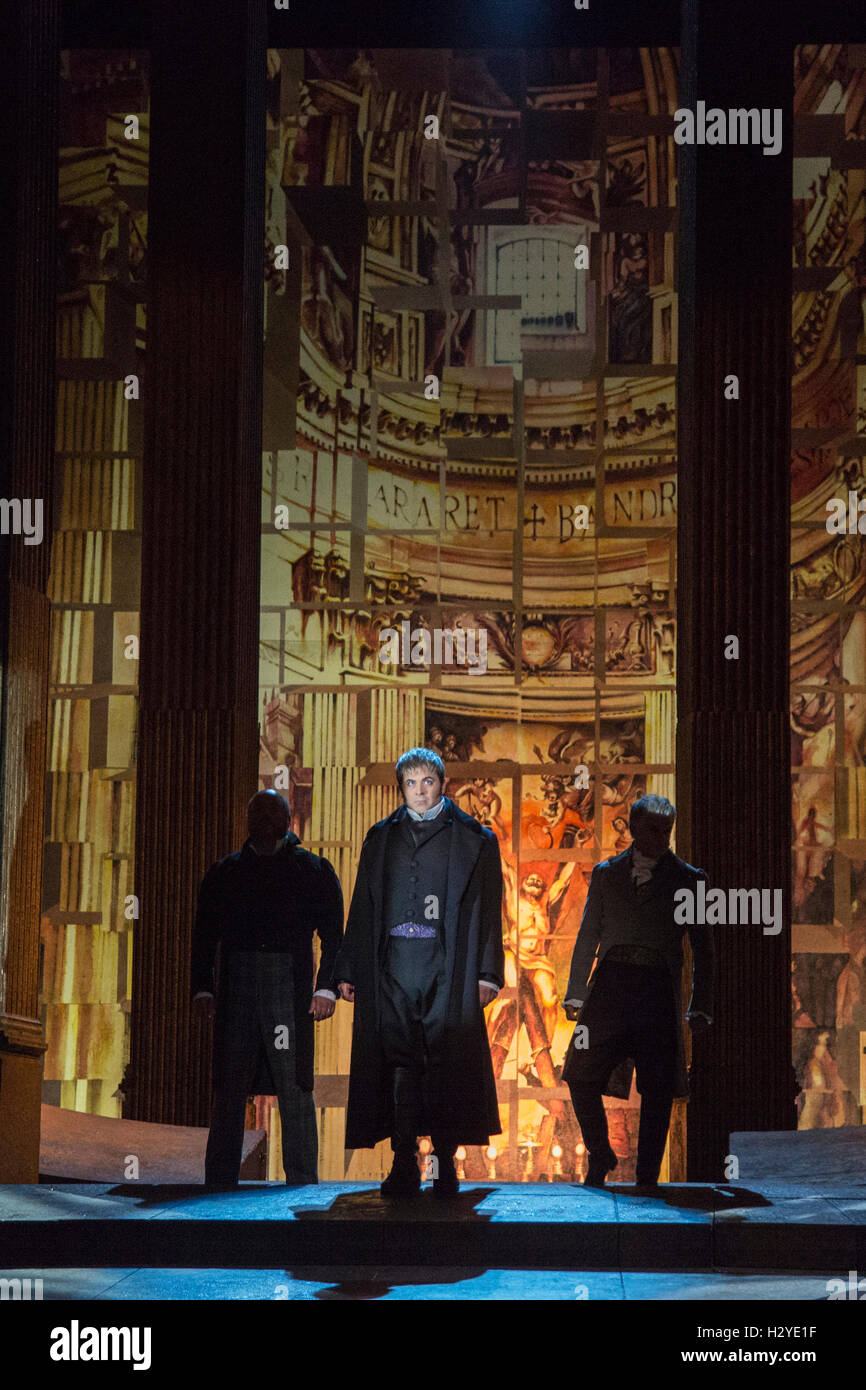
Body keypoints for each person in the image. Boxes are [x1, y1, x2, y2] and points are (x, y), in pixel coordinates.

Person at [335, 747, 504, 1197]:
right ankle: (404, 1161)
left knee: (446, 1064)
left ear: (443, 784)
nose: (420, 791)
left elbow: (490, 912)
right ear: (401, 788)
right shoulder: (381, 837)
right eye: (411, 783)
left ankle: (445, 1163)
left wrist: (488, 973)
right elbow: (363, 906)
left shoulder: (475, 839)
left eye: (427, 781)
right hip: (394, 964)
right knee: (399, 1067)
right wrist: (349, 967)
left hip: (447, 964)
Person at [191, 789, 344, 1187]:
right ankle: (218, 1183)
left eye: (271, 812)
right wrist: (203, 988)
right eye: (256, 812)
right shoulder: (226, 873)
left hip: (288, 985)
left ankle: (303, 1183)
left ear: (288, 819)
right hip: (236, 985)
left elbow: (333, 936)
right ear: (246, 821)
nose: (263, 820)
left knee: (294, 1087)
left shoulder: (312, 870)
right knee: (229, 1086)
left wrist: (325, 987)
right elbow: (204, 936)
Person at [562, 794, 714, 1193]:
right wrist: (575, 993)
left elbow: (703, 948)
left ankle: (647, 1175)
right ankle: (600, 1153)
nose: (661, 838)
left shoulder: (689, 880)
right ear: (633, 828)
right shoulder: (606, 874)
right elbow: (586, 937)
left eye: (667, 830)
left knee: (658, 1086)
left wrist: (701, 1003)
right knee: (580, 1073)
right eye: (652, 829)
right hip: (609, 988)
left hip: (657, 990)